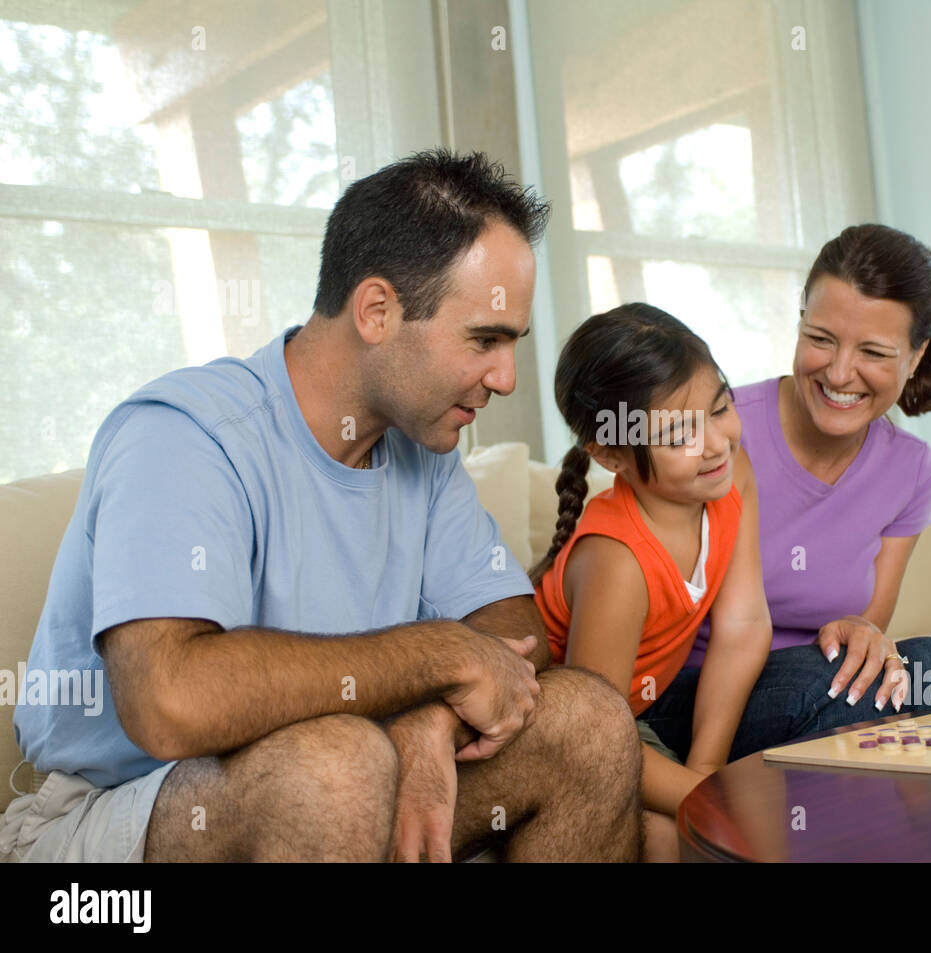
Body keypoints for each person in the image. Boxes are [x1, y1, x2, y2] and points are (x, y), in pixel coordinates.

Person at [2, 150, 642, 864]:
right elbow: (168, 702)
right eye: (484, 339)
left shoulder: (419, 449)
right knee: (336, 768)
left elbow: (516, 634)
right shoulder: (183, 434)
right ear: (377, 310)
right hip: (110, 815)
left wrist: (430, 717)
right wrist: (438, 656)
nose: (505, 376)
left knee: (589, 721)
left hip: (345, 769)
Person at [640, 224, 931, 761]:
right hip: (697, 697)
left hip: (820, 695)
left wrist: (864, 630)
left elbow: (870, 624)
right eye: (821, 339)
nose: (840, 372)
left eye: (873, 351)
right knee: (841, 692)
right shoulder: (721, 434)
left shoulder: (912, 470)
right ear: (799, 322)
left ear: (915, 357)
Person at [530, 304, 772, 861]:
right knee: (664, 834)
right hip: (581, 722)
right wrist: (707, 798)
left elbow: (744, 623)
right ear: (612, 454)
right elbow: (596, 734)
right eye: (678, 433)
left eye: (720, 408)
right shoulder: (617, 560)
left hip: (643, 707)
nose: (714, 443)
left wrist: (707, 773)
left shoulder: (733, 473)